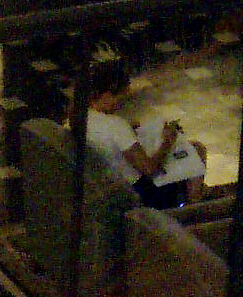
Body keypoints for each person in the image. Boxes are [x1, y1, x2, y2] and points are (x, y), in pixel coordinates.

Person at [85, 53, 207, 212]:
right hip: (141, 192)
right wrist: (167, 142)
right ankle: (192, 207)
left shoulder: (80, 119)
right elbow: (150, 170)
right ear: (108, 95)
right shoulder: (115, 125)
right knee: (197, 149)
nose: (119, 105)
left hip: (108, 181)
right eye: (119, 99)